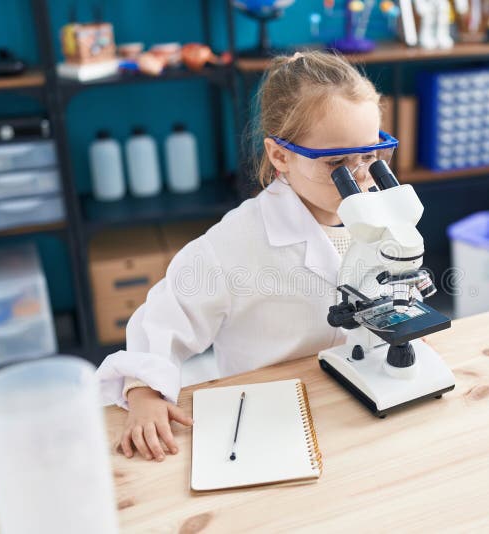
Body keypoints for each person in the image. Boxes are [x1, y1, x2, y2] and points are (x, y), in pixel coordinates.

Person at [96, 50, 398, 461]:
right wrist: (144, 392)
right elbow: (164, 317)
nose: (361, 176)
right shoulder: (234, 245)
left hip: (352, 405)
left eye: (370, 156)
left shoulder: (378, 215)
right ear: (280, 156)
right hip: (264, 417)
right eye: (338, 163)